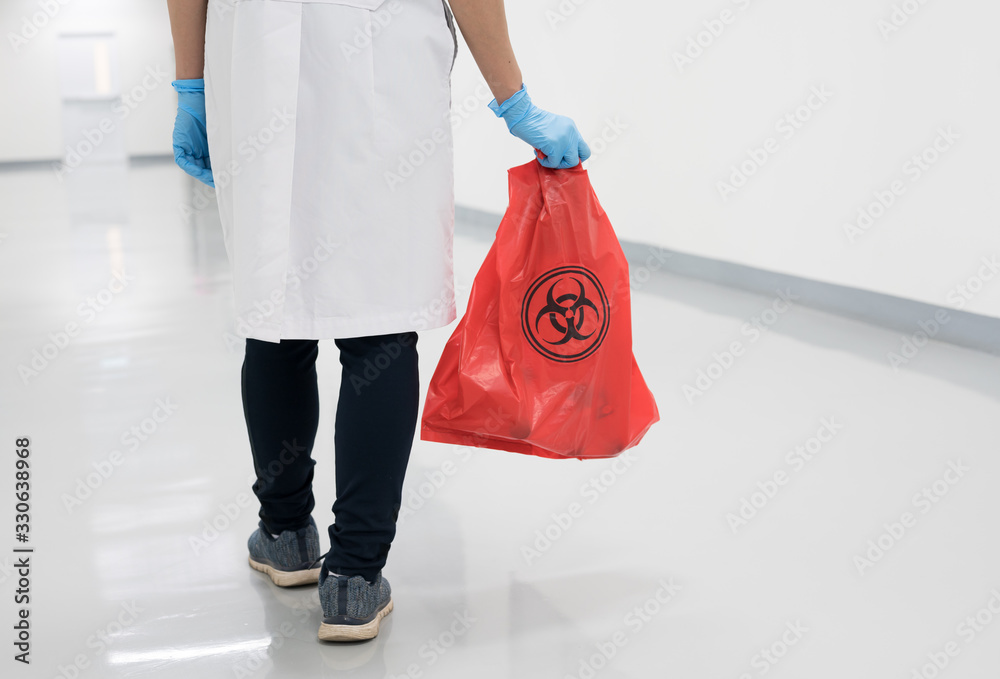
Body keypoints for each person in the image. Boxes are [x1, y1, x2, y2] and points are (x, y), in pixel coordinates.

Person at [166, 0, 590, 642]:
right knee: (380, 326)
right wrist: (515, 102)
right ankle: (354, 579)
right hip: (381, 68)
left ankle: (285, 534)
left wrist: (191, 85)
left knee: (275, 312)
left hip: (252, 65)